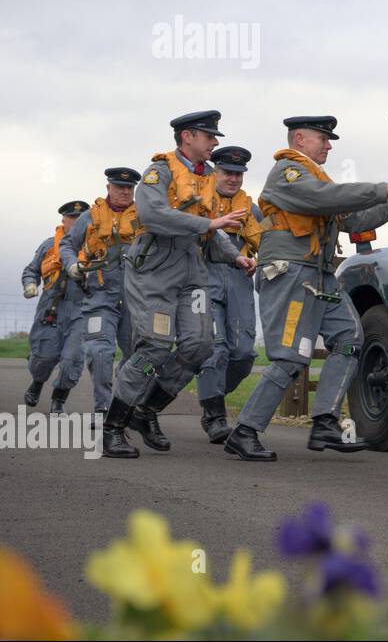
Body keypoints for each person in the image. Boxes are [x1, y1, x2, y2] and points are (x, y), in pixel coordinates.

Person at [225, 115, 388, 461]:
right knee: (290, 357)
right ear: (299, 139)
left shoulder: (317, 178)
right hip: (291, 276)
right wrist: (381, 189)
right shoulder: (288, 173)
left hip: (318, 277)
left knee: (349, 339)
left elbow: (353, 220)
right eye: (323, 138)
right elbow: (324, 197)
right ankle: (245, 431)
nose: (329, 145)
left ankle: (324, 421)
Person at [101, 111, 256, 459]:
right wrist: (209, 225)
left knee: (200, 347)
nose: (215, 142)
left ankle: (146, 411)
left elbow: (209, 228)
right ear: (188, 137)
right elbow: (153, 214)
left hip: (193, 269)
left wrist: (235, 257)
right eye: (209, 135)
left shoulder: (206, 177)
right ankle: (113, 427)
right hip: (156, 268)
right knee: (154, 347)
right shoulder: (161, 171)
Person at [59, 168, 143, 416]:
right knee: (99, 352)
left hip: (136, 298)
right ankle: (102, 408)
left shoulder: (145, 215)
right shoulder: (90, 216)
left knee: (139, 355)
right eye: (119, 187)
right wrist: (71, 264)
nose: (125, 191)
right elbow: (67, 244)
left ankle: (125, 405)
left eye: (129, 188)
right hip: (99, 296)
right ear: (108, 188)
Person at [195, 145, 262, 443]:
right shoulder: (197, 202)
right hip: (202, 279)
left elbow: (269, 239)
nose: (233, 179)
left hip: (239, 281)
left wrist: (263, 257)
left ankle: (213, 394)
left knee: (243, 353)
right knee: (215, 348)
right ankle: (215, 416)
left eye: (239, 174)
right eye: (227, 173)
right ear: (215, 172)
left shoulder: (251, 208)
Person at [20, 201, 89, 413]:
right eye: (72, 218)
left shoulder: (95, 247)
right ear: (64, 221)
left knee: (73, 358)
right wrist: (31, 284)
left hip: (82, 310)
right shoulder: (49, 245)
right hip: (51, 308)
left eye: (80, 219)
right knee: (44, 356)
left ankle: (59, 398)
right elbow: (31, 270)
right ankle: (37, 382)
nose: (76, 222)